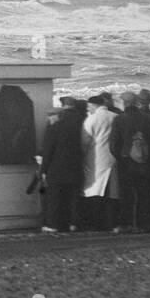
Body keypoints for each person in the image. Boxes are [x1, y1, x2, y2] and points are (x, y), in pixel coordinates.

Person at [40, 97, 87, 232]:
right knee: (73, 197)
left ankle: (53, 225)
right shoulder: (78, 127)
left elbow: (48, 151)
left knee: (54, 197)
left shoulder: (54, 129)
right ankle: (73, 224)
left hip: (56, 169)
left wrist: (43, 170)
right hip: (75, 167)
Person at [112, 92, 150, 233]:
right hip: (144, 160)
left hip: (125, 161)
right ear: (136, 102)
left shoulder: (119, 119)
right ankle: (144, 225)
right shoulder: (147, 118)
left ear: (124, 103)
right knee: (144, 194)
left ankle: (127, 224)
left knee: (126, 195)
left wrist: (120, 157)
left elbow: (113, 145)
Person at [81, 94, 120, 231]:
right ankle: (114, 224)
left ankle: (97, 224)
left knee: (95, 191)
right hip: (113, 158)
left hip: (95, 158)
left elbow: (84, 142)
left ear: (94, 105)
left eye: (89, 107)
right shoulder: (115, 117)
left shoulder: (91, 119)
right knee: (112, 193)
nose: (88, 110)